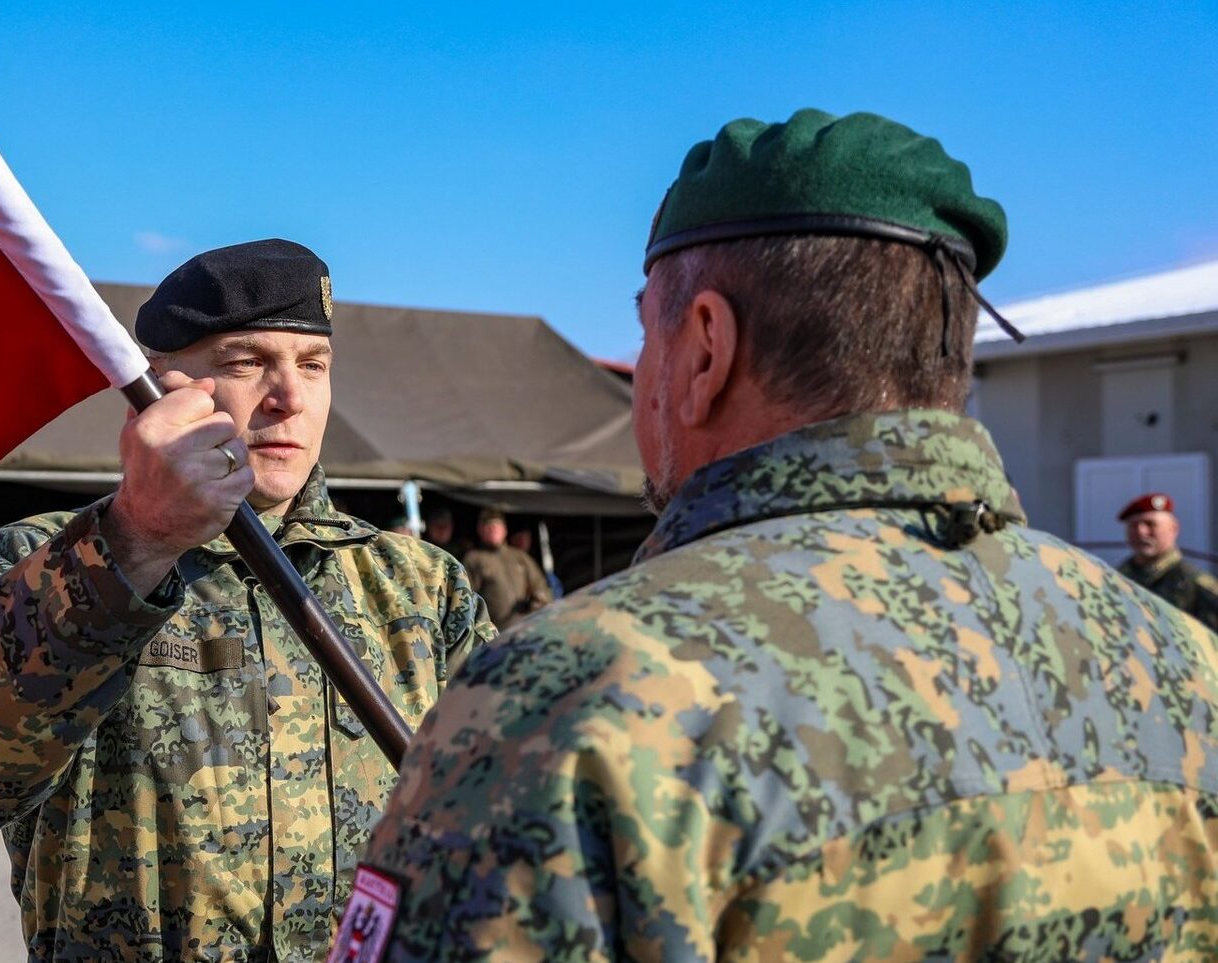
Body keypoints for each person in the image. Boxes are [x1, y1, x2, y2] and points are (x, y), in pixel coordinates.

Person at [342, 109, 1218, 961]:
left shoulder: (576, 694)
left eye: (649, 332)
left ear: (705, 351)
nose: (643, 369)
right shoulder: (1186, 664)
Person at [0, 238, 495, 961]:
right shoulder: (43, 559)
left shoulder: (418, 586)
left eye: (312, 365)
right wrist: (130, 544)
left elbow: (502, 820)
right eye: (246, 362)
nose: (288, 395)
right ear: (166, 390)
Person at [1116, 492, 1218, 631]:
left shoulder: (1196, 585)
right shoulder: (1116, 577)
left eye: (1150, 524)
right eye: (1133, 525)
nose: (1141, 532)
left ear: (1173, 529)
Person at [459, 509, 552, 629]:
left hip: (525, 627)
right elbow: (466, 599)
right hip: (494, 633)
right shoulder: (473, 560)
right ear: (480, 530)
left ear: (505, 530)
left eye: (496, 526)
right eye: (488, 526)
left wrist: (538, 601)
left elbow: (540, 586)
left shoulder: (519, 557)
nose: (493, 530)